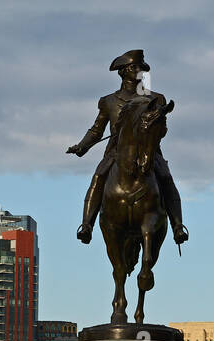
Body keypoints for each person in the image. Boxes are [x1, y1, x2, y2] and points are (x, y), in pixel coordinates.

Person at [67, 49, 189, 244]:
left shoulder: (156, 99)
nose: (139, 71)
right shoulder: (109, 101)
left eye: (142, 68)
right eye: (134, 67)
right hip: (116, 152)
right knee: (99, 176)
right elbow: (97, 130)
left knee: (165, 177)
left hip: (149, 151)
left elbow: (161, 129)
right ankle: (87, 225)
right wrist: (82, 146)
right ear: (123, 72)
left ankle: (177, 226)